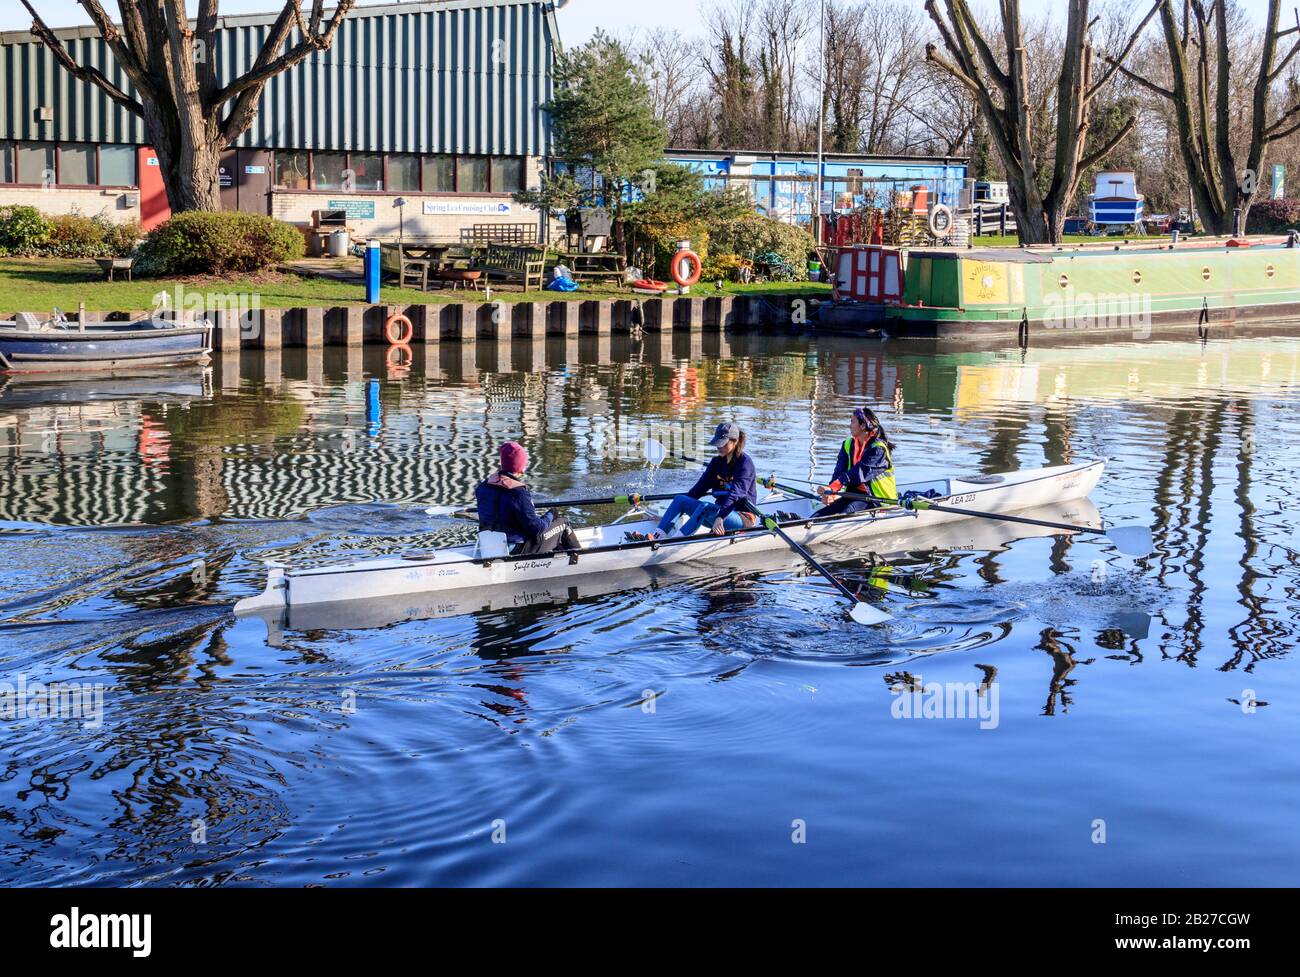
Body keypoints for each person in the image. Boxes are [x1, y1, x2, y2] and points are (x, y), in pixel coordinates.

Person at [633, 421, 758, 541]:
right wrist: (670, 516)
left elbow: (735, 495)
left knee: (706, 507)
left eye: (723, 443)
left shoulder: (745, 464)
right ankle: (657, 536)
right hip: (717, 515)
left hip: (742, 518)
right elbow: (697, 491)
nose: (719, 446)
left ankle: (675, 540)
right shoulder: (716, 463)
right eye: (717, 443)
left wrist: (720, 517)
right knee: (680, 499)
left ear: (735, 441)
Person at [475, 441, 581, 560]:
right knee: (563, 524)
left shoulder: (483, 487)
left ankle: (556, 563)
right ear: (521, 467)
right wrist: (551, 515)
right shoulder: (518, 492)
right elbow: (536, 529)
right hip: (514, 549)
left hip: (488, 546)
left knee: (548, 527)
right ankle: (580, 563)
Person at [814, 407, 897, 518]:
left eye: (853, 421)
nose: (850, 425)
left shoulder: (878, 449)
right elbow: (839, 471)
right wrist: (831, 492)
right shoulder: (848, 444)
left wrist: (833, 488)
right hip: (853, 495)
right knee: (820, 514)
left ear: (862, 426)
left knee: (846, 512)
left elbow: (859, 473)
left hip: (877, 499)